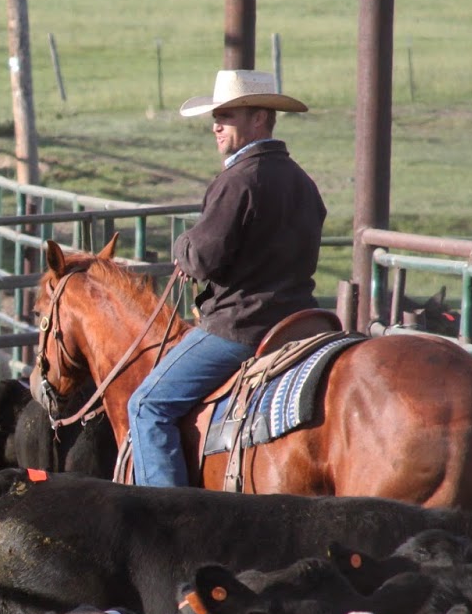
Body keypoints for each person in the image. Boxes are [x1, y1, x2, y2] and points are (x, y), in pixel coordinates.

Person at [127, 69, 326, 488]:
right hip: (301, 320)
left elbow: (203, 257)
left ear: (259, 118)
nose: (216, 125)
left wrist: (181, 244)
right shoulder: (302, 181)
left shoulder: (239, 180)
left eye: (228, 115)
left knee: (147, 405)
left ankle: (165, 516)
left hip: (240, 327)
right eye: (216, 116)